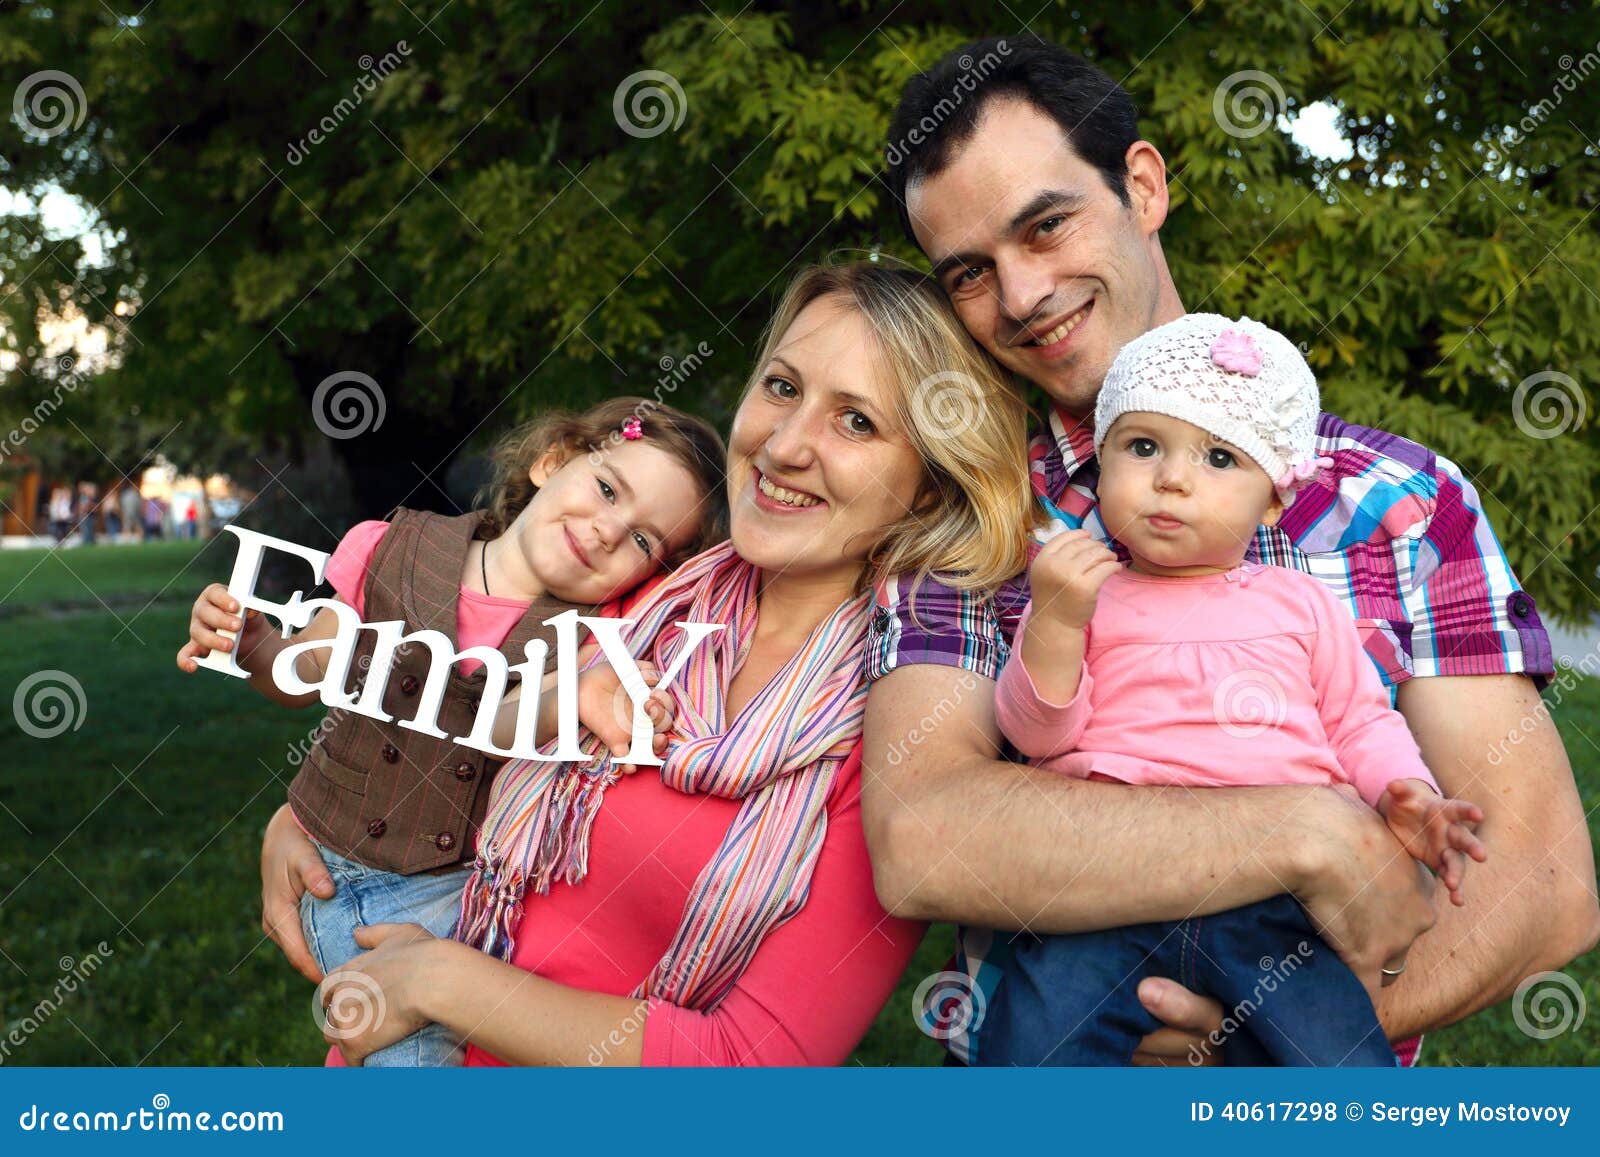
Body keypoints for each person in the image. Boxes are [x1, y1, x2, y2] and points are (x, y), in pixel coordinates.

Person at [862, 35, 1598, 1066]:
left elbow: (1541, 881)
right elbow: (924, 838)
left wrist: (1275, 1037)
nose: (1022, 295)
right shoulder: (969, 520)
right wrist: (1304, 830)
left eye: (1046, 225)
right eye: (971, 273)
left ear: (1143, 186)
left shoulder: (1398, 500)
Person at [260, 261, 1037, 1066]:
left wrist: (443, 983)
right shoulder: (645, 594)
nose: (783, 445)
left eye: (857, 422)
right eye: (781, 386)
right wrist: (313, 815)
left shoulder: (901, 728)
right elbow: (450, 715)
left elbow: (748, 1064)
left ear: (930, 488)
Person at [982, 314, 1488, 1066]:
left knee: (1337, 1059)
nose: (1171, 478)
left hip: (1275, 907)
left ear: (1273, 502)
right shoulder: (1083, 596)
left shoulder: (1300, 604)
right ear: (1104, 464)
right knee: (1031, 1045)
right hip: (1106, 888)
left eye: (1219, 457)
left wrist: (1403, 790)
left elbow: (1360, 722)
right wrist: (1054, 623)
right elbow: (1036, 736)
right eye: (1142, 446)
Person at [183, 397, 727, 1065]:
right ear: (552, 460)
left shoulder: (594, 635)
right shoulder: (392, 549)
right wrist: (254, 646)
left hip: (459, 891)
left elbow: (496, 724)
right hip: (336, 868)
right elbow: (305, 673)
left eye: (644, 540)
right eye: (608, 489)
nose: (608, 530)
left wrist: (579, 695)